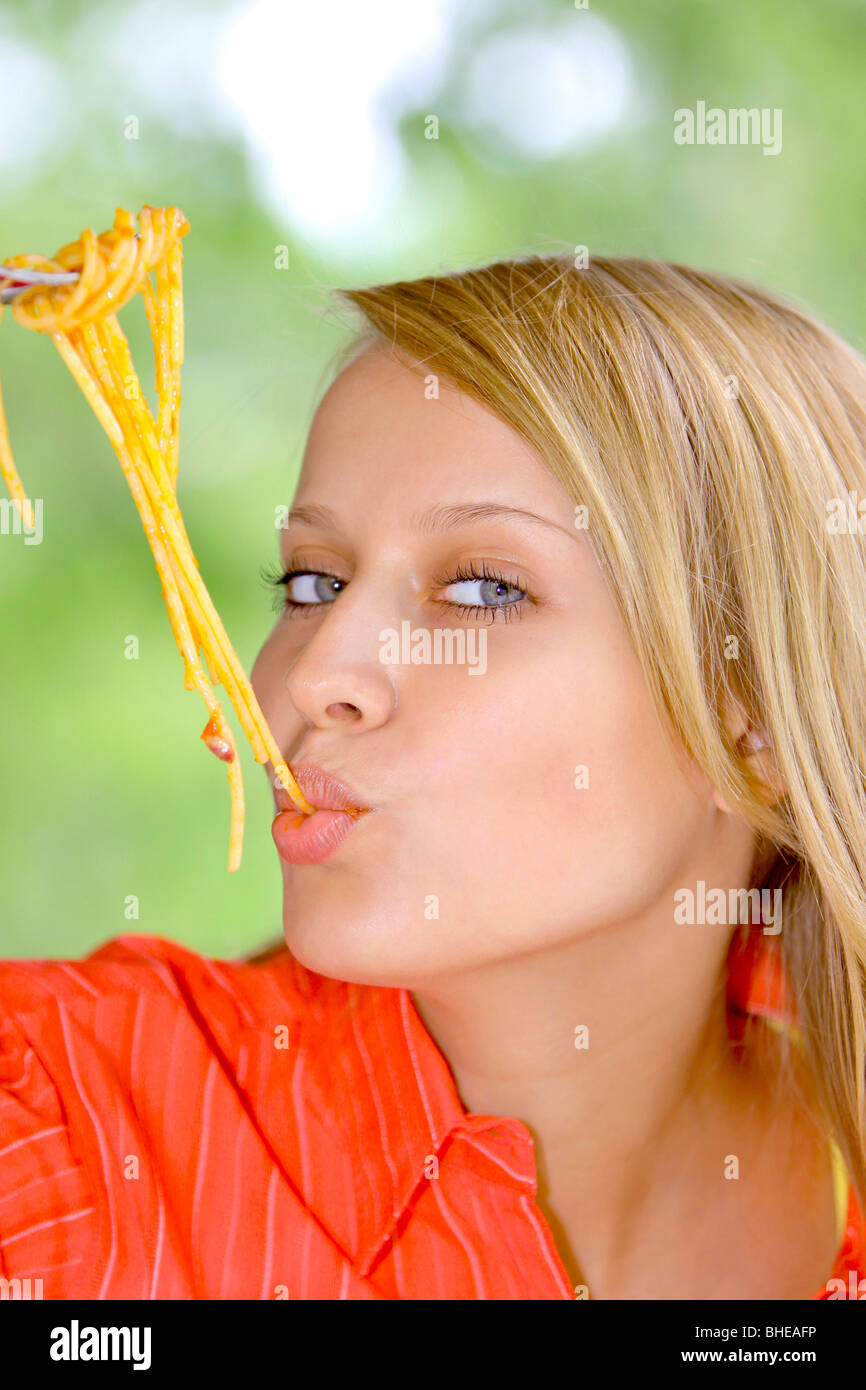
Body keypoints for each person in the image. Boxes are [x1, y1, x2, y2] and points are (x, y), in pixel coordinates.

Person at [1, 254, 864, 1300]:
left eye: (481, 588)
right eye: (313, 580)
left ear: (757, 729)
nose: (315, 675)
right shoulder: (58, 1118)